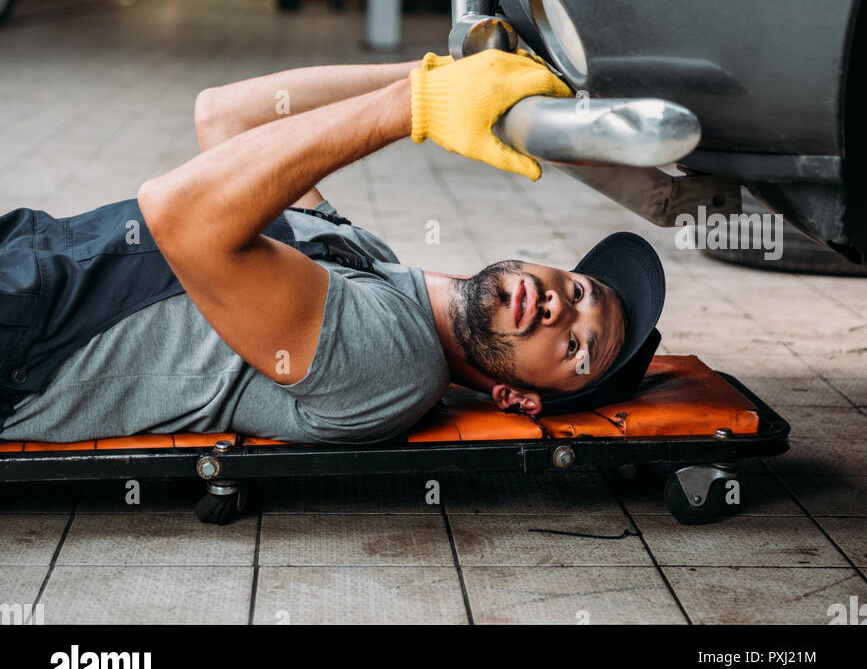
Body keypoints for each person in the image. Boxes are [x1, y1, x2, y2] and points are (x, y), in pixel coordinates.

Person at [0, 50, 664, 445]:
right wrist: (440, 70)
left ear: (517, 398)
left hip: (22, 335)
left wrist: (415, 106)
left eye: (577, 348)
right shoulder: (368, 254)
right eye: (579, 295)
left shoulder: (397, 366)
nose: (561, 312)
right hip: (24, 255)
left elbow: (180, 217)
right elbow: (229, 115)